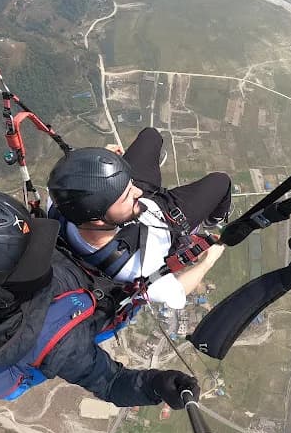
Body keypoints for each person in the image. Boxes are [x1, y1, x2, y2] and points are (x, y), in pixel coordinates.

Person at [0, 48, 199, 408]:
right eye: (31, 255)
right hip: (83, 304)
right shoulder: (59, 342)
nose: (43, 243)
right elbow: (111, 382)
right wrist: (156, 386)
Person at [47, 128, 231, 309]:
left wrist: (101, 167)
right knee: (222, 181)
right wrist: (209, 260)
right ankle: (212, 219)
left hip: (129, 203)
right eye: (128, 193)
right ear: (98, 220)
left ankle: (125, 185)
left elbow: (74, 179)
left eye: (131, 187)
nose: (138, 192)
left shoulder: (61, 203)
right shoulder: (137, 268)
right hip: (170, 216)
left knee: (150, 136)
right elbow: (178, 295)